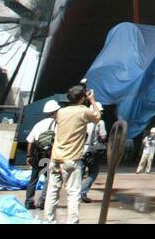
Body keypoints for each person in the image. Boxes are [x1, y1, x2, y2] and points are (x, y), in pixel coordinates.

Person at [43, 85, 102, 224]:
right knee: (73, 193)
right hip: (71, 160)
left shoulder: (61, 112)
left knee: (52, 191)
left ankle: (48, 221)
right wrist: (92, 100)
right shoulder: (83, 111)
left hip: (55, 158)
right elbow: (97, 117)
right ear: (83, 97)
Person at [22, 100, 59, 209]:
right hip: (49, 156)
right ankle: (42, 202)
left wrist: (29, 156)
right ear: (55, 112)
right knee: (49, 179)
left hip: (37, 155)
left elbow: (30, 141)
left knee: (33, 179)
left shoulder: (38, 124)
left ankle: (29, 202)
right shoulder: (56, 125)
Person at [80, 116, 108, 203]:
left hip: (80, 149)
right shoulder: (100, 122)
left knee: (79, 173)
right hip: (92, 151)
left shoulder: (83, 120)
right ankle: (83, 191)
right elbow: (103, 136)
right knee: (93, 172)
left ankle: (75, 193)